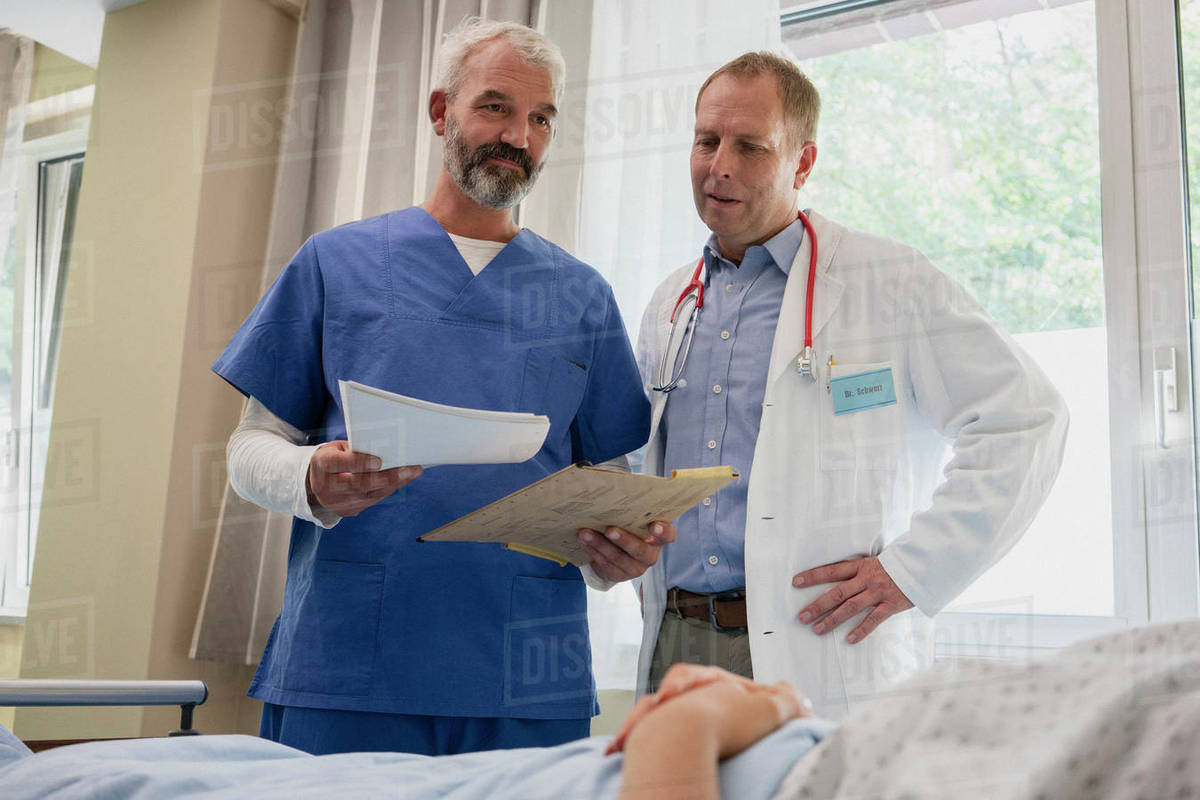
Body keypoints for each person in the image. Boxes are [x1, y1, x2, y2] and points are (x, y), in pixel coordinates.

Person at [213, 18, 674, 756]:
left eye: (542, 118)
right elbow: (248, 448)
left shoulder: (582, 297)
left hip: (525, 673)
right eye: (495, 106)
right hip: (353, 663)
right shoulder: (337, 263)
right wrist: (309, 478)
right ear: (440, 113)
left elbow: (607, 482)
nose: (519, 136)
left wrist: (616, 557)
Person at [632, 51, 1069, 717]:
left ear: (802, 163)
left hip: (820, 651)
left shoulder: (889, 281)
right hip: (678, 645)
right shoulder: (671, 303)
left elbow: (1026, 419)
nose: (719, 165)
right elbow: (639, 475)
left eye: (750, 147)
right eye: (706, 140)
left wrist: (914, 570)